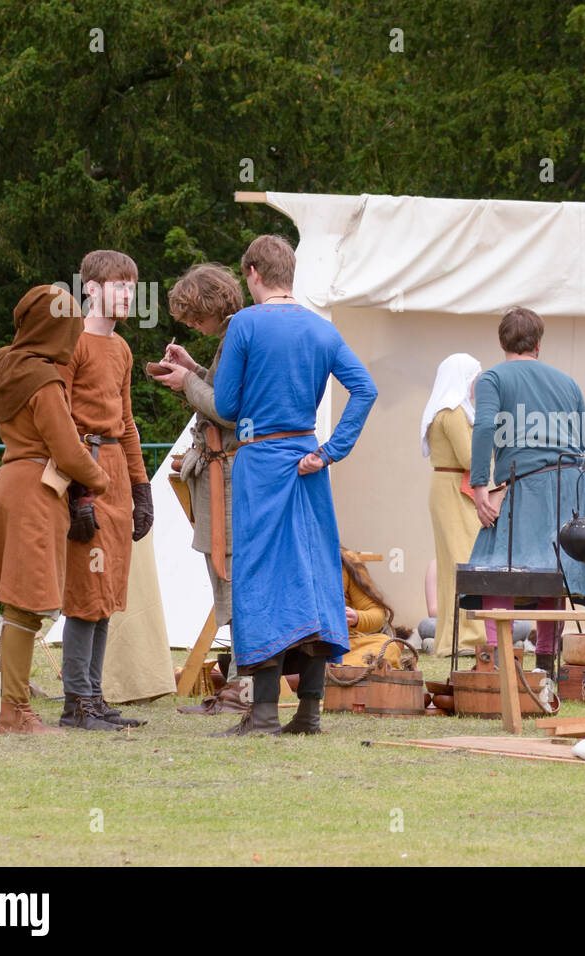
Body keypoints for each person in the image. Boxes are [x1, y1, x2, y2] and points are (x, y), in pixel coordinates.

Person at [211, 234, 378, 735]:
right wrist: (330, 451)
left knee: (260, 578)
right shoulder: (320, 329)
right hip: (308, 464)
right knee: (313, 577)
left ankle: (262, 714)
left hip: (261, 464)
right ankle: (308, 712)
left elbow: (225, 404)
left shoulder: (244, 325)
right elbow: (365, 389)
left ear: (255, 273)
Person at [0, 285, 111, 733]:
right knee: (24, 607)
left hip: (13, 481)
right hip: (36, 489)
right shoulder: (44, 380)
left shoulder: (5, 365)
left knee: (20, 603)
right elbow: (68, 450)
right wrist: (100, 478)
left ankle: (16, 709)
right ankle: (16, 712)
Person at [465, 307, 585, 672]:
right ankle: (545, 663)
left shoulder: (492, 378)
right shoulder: (567, 382)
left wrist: (480, 485)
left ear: (502, 341)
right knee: (552, 572)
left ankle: (495, 662)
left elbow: (485, 427)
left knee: (495, 570)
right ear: (538, 343)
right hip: (569, 487)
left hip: (524, 487)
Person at [57, 250, 153, 730]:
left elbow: (128, 422)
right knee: (85, 592)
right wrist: (78, 489)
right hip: (86, 468)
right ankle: (75, 703)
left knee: (109, 590)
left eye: (132, 287)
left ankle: (93, 697)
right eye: (118, 285)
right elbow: (61, 417)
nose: (127, 295)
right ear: (91, 288)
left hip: (115, 469)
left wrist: (141, 487)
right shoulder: (72, 342)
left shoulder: (122, 349)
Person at [153, 263, 244, 675]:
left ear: (213, 304)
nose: (191, 323)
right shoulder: (233, 336)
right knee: (228, 573)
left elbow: (229, 412)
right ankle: (245, 683)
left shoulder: (238, 336)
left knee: (230, 573)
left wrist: (186, 383)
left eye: (195, 315)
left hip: (227, 475)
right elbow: (224, 394)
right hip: (220, 473)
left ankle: (245, 683)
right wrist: (193, 370)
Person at [421, 353, 485, 657]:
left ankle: (451, 638)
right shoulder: (454, 411)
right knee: (465, 561)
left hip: (447, 488)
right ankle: (467, 638)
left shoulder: (445, 410)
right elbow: (470, 458)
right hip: (454, 490)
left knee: (452, 566)